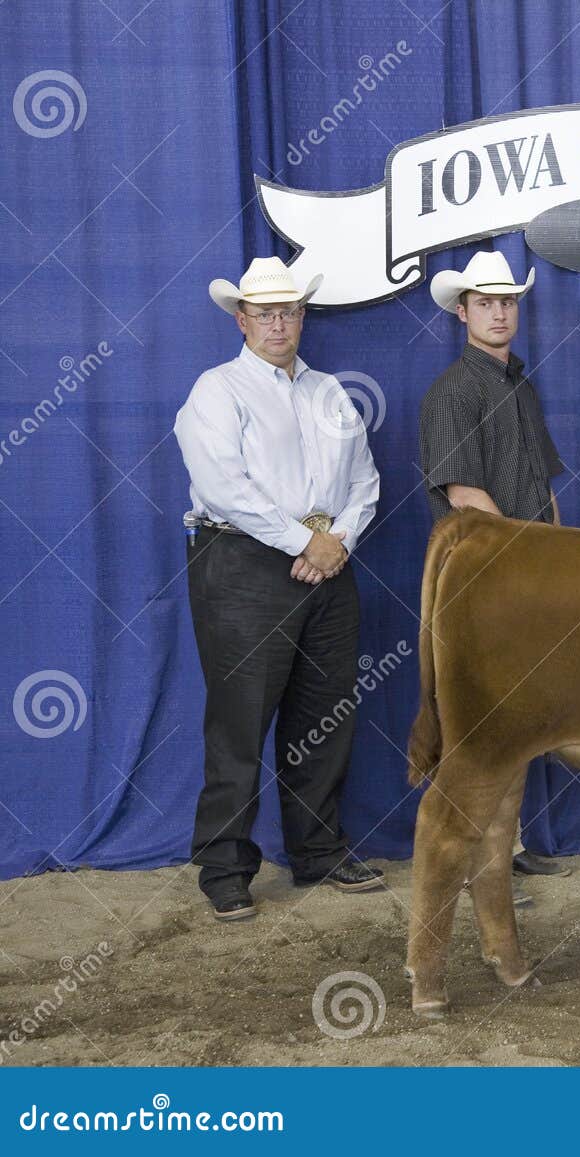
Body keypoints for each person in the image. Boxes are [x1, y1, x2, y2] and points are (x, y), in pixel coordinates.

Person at [174, 256, 384, 922]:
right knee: (240, 718)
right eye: (265, 313)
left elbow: (366, 481)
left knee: (325, 714)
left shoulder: (330, 392)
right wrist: (307, 542)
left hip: (328, 562)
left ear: (302, 317)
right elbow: (223, 489)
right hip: (243, 563)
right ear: (242, 319)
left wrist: (338, 541)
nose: (279, 323)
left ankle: (318, 850)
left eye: (289, 311)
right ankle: (225, 865)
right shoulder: (217, 390)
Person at [418, 250, 572, 890]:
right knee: (481, 719)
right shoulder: (457, 389)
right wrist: (529, 567)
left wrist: (562, 559)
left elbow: (541, 482)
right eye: (486, 302)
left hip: (532, 574)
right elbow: (465, 498)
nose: (499, 312)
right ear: (463, 312)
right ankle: (469, 853)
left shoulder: (520, 383)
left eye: (507, 302)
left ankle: (503, 848)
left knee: (518, 713)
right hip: (489, 582)